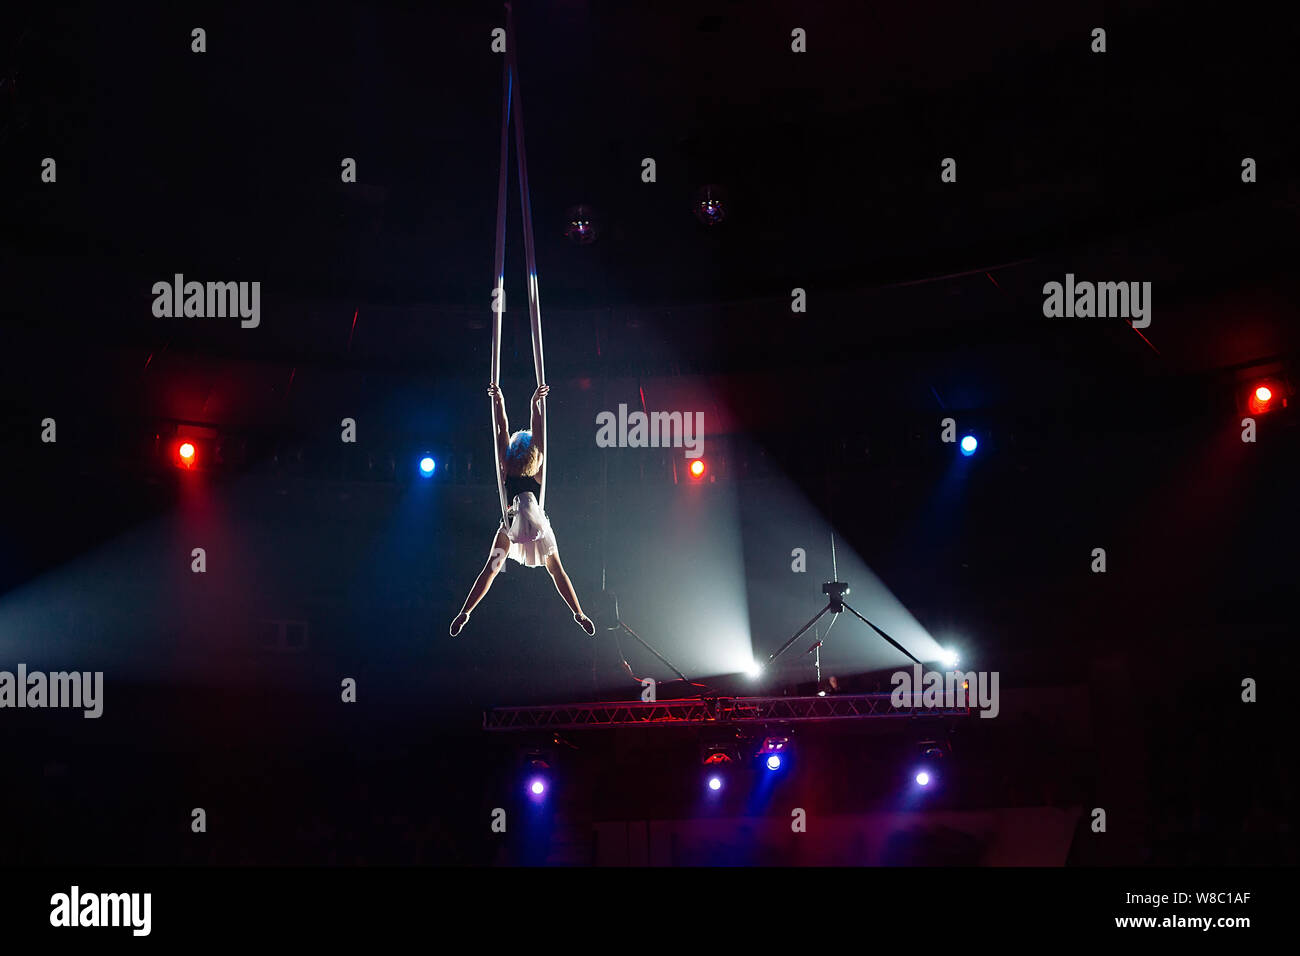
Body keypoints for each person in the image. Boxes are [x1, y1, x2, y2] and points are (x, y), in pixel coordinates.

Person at [449, 382, 595, 637]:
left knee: (492, 567)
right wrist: (533, 405)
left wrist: (500, 402)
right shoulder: (538, 473)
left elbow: (502, 429)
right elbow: (537, 432)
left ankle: (466, 612)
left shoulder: (506, 468)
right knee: (555, 569)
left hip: (512, 525)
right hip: (536, 526)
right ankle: (578, 613)